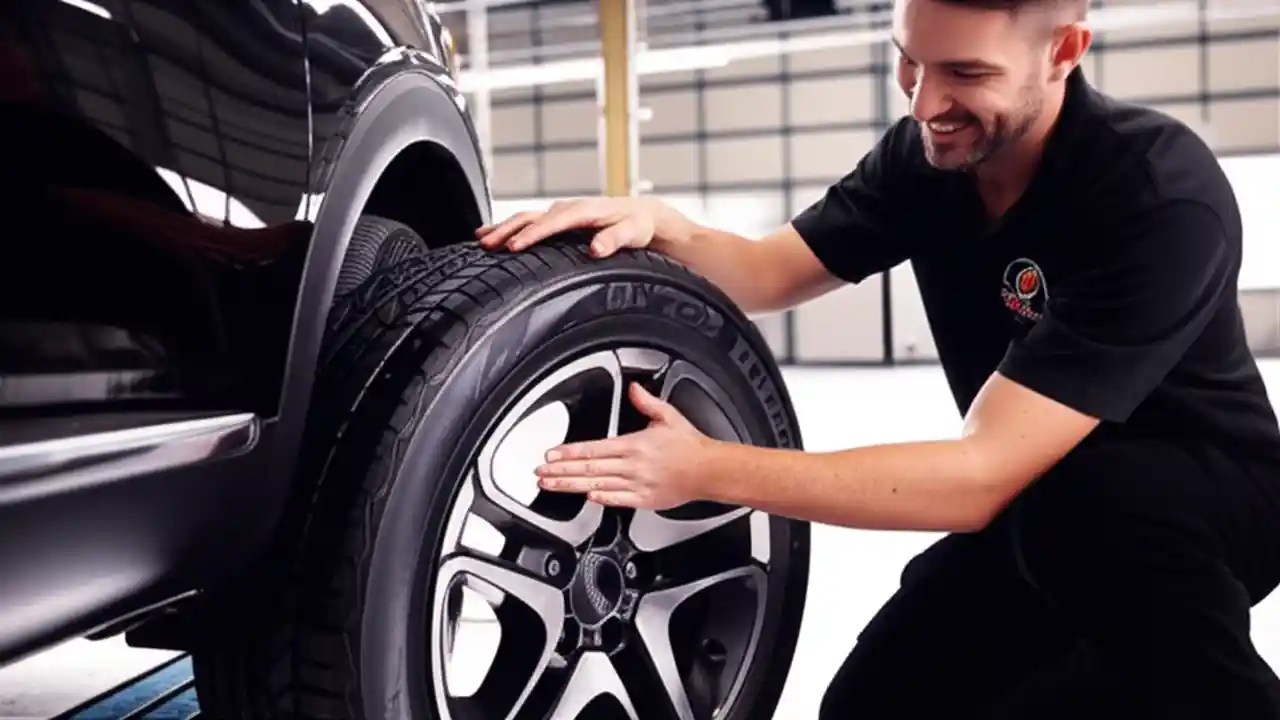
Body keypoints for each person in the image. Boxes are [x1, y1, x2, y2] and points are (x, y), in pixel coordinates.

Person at [475, 0, 1280, 715]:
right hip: (1037, 502)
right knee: (875, 700)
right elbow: (766, 271)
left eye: (965, 72)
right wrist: (661, 227)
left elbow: (977, 477)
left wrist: (709, 468)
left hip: (1200, 497)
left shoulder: (1156, 194)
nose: (927, 102)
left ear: (1064, 51)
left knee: (1106, 517)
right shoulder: (927, 161)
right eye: (909, 59)